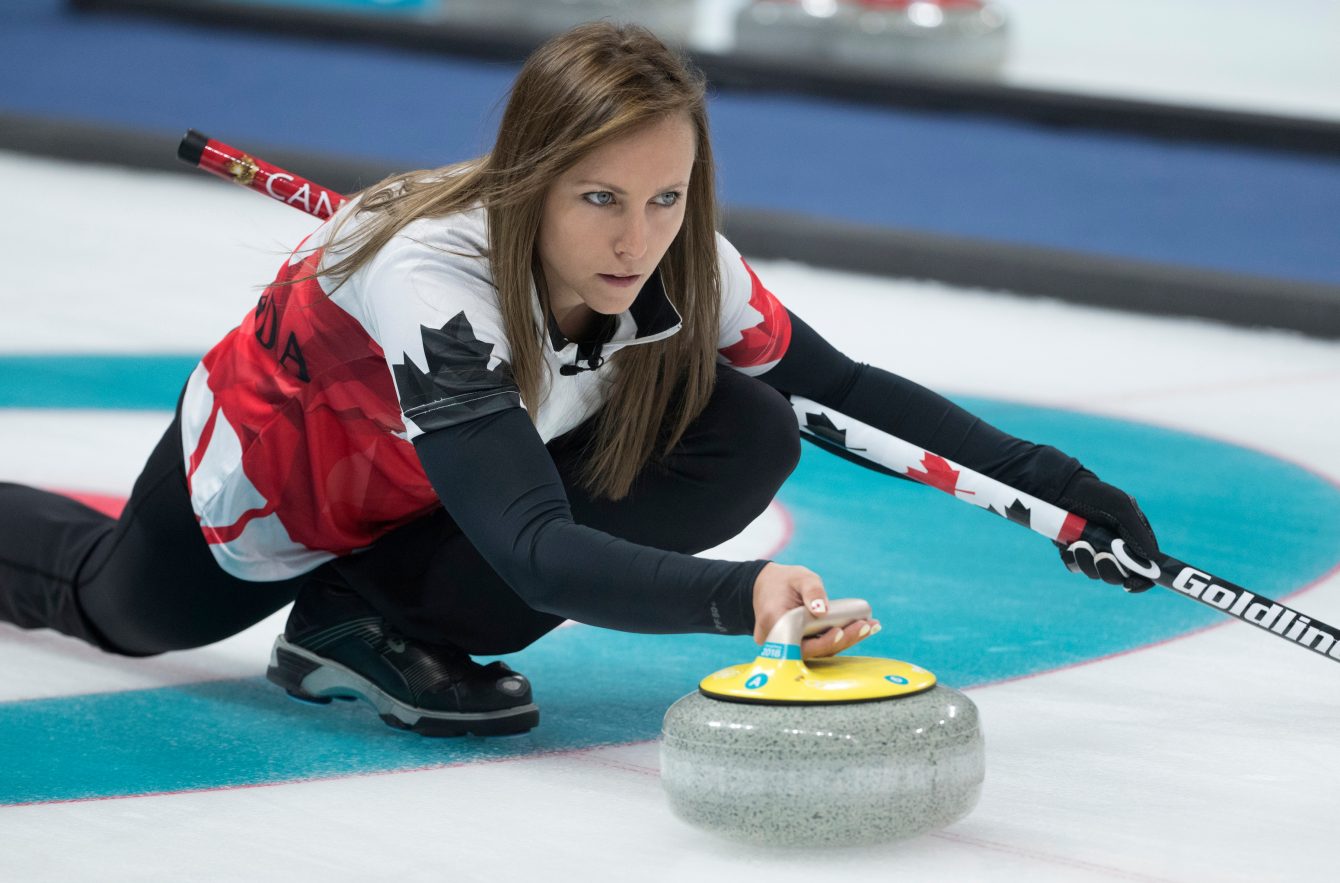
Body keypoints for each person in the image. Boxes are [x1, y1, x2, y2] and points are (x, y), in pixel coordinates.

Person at [0, 22, 1157, 737]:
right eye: (599, 198)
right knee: (123, 612)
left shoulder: (682, 260)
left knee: (746, 425)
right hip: (272, 492)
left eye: (665, 198)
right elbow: (531, 548)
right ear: (531, 183)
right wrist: (735, 594)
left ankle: (366, 623)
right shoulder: (430, 280)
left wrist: (1054, 488)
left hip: (451, 475)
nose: (637, 240)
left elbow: (837, 387)